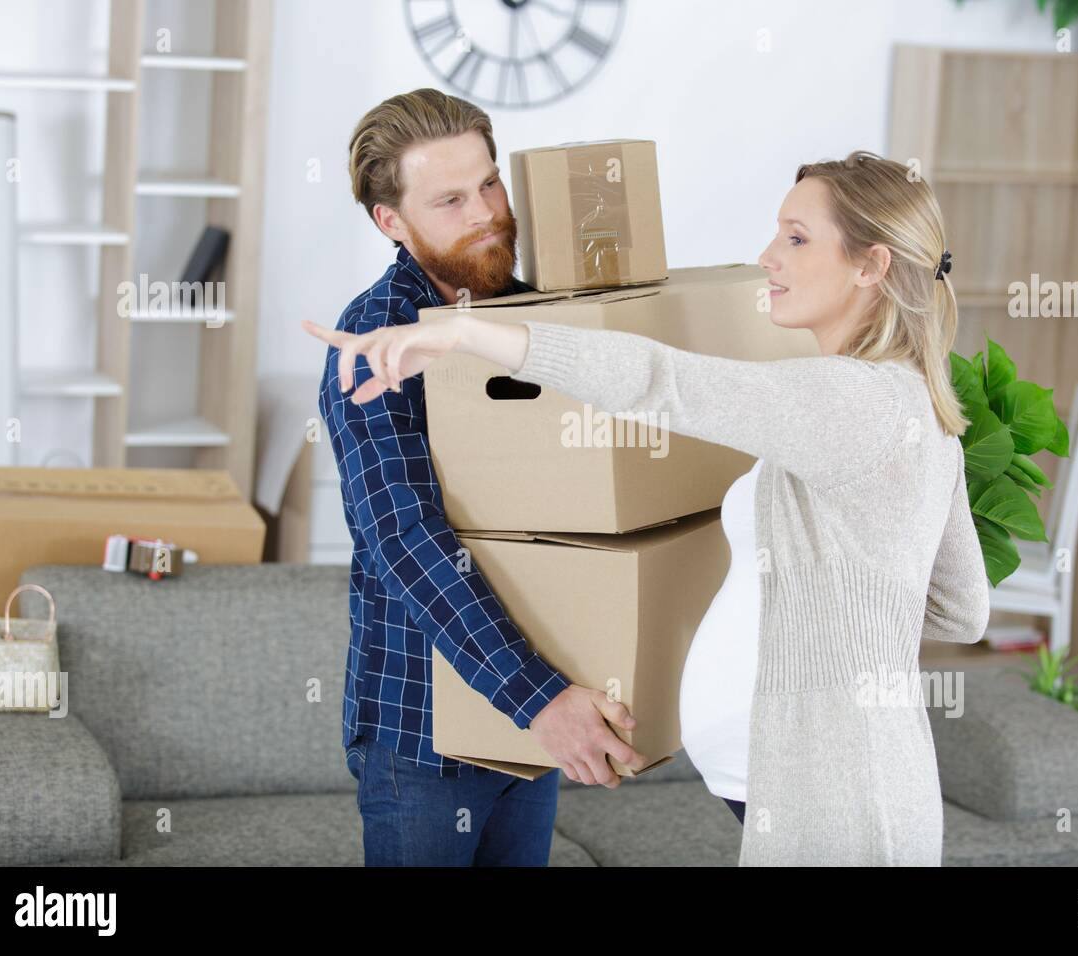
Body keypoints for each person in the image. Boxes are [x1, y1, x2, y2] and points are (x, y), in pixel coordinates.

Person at [306, 149, 991, 866]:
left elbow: (663, 383)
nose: (766, 257)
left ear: (871, 266)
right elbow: (960, 605)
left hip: (832, 789)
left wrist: (464, 335)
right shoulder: (911, 399)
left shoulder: (846, 398)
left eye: (795, 237)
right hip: (828, 782)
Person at [319, 88, 647, 868]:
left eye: (490, 183)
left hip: (534, 716)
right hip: (427, 732)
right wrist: (542, 701)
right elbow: (403, 539)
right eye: (451, 199)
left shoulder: (536, 321)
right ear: (390, 222)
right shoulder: (373, 341)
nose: (488, 213)